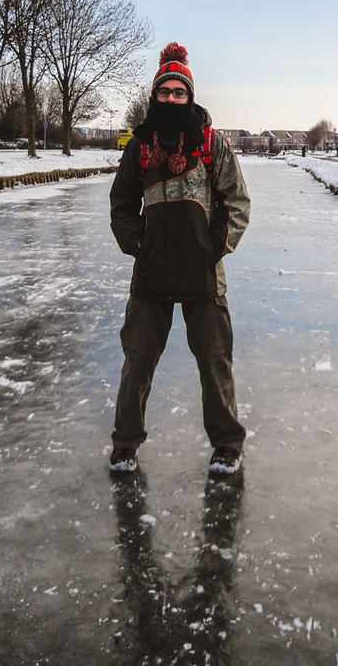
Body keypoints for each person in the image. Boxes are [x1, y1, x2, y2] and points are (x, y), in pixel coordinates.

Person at [108, 43, 251, 475]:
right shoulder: (139, 147)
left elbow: (237, 203)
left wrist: (211, 249)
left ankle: (227, 444)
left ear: (190, 95)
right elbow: (121, 203)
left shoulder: (211, 145)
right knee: (137, 360)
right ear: (155, 95)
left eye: (179, 92)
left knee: (214, 361)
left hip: (203, 274)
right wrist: (138, 245)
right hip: (151, 272)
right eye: (164, 92)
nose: (171, 98)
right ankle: (125, 444)